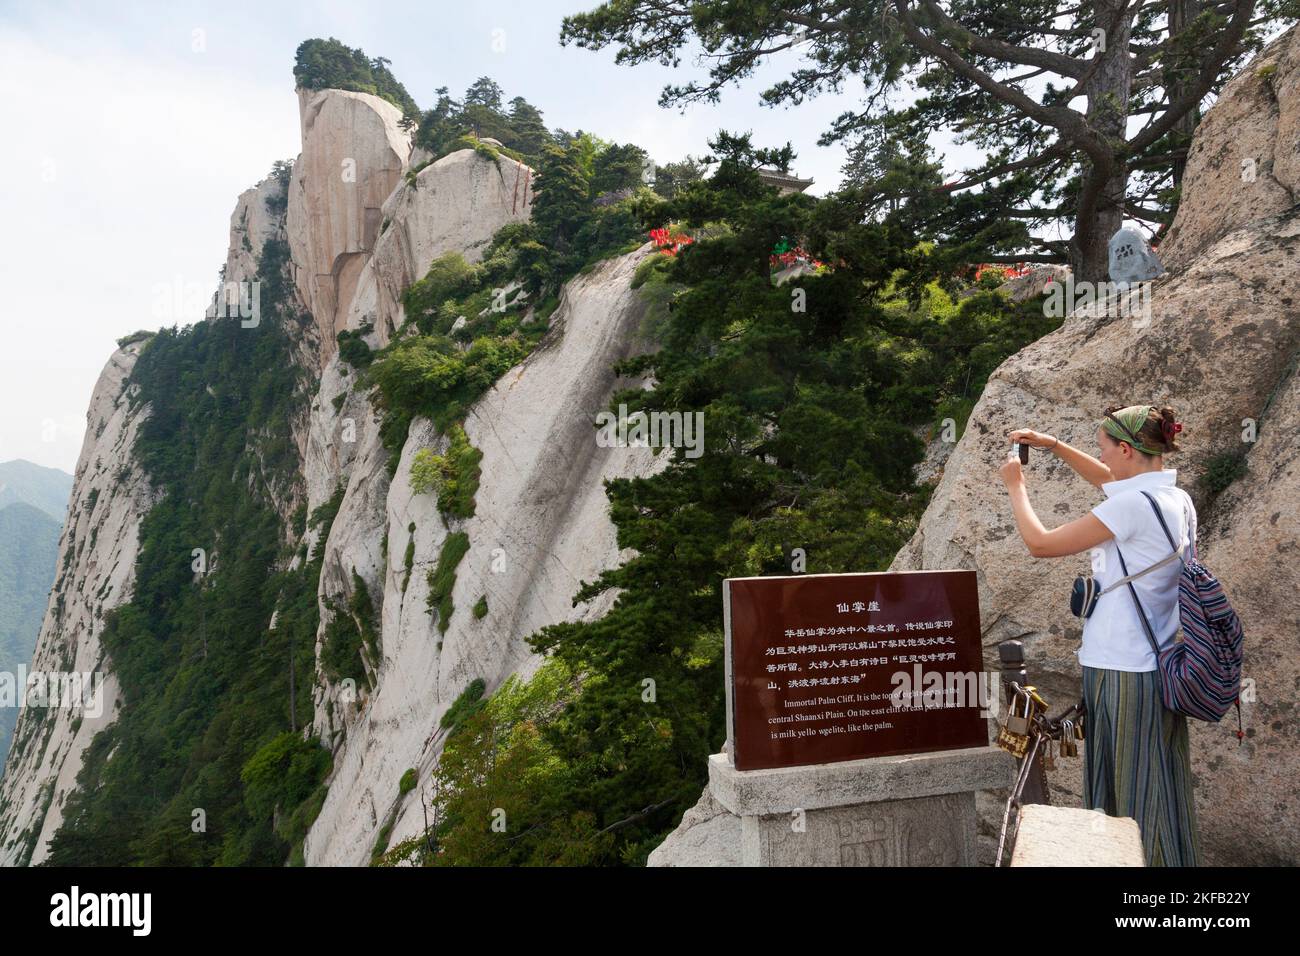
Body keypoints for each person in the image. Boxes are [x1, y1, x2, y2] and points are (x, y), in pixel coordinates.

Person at [996, 403, 1201, 867]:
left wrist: (1016, 486)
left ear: (1127, 450)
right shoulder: (1174, 499)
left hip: (1121, 665)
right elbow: (1112, 483)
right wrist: (1052, 445)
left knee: (1129, 791)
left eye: (1106, 449)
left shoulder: (1130, 505)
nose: (1102, 457)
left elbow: (1040, 544)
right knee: (1156, 779)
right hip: (1159, 661)